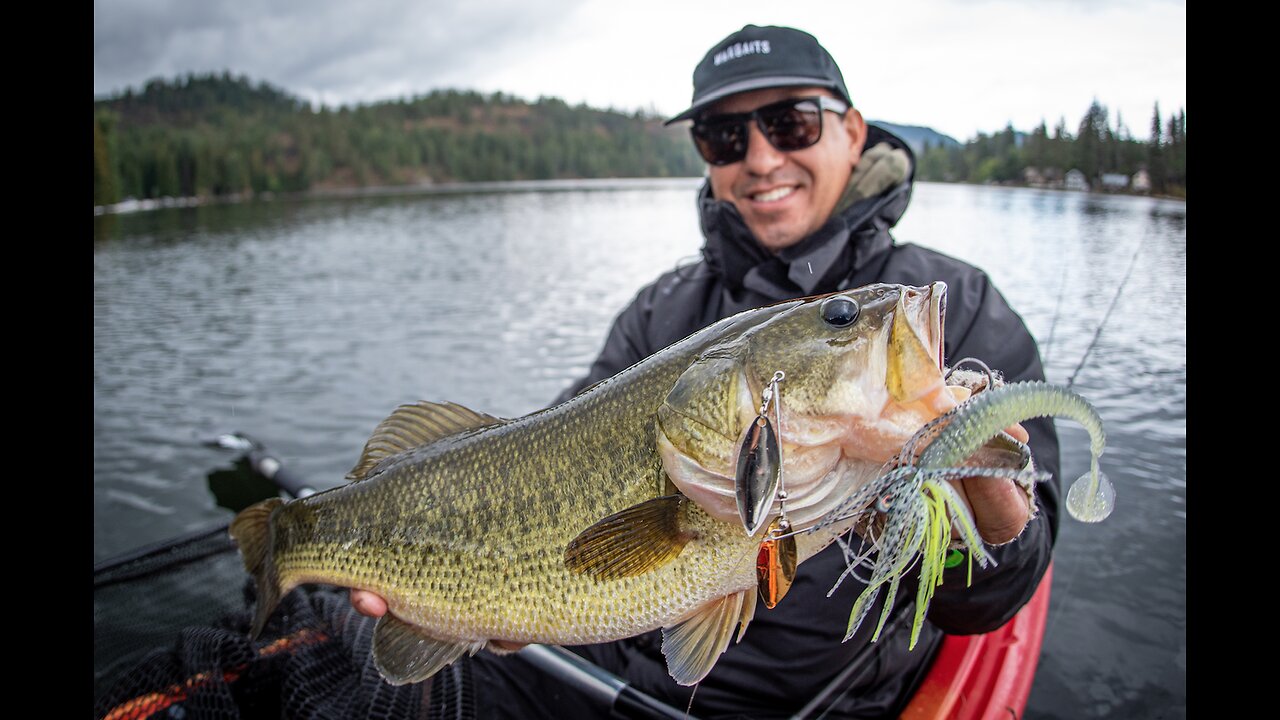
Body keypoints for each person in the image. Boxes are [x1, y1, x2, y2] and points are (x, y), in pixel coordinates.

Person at [352, 24, 1060, 718]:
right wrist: (501, 589)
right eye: (723, 136)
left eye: (790, 123)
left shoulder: (952, 312)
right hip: (609, 661)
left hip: (818, 701)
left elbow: (995, 599)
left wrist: (993, 524)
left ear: (853, 130)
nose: (758, 157)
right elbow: (537, 467)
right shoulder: (660, 311)